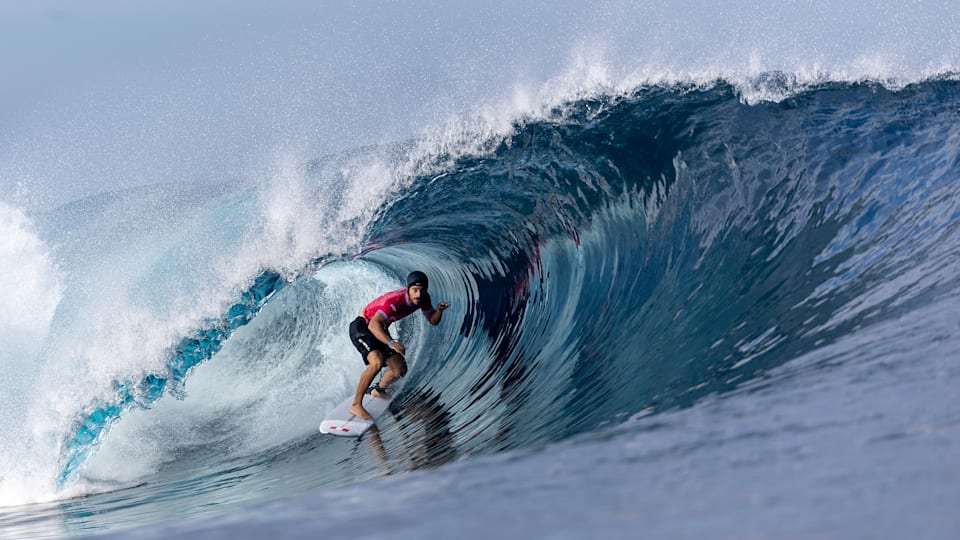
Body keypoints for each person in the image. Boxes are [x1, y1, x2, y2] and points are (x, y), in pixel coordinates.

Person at [348, 271, 449, 420]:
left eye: (422, 290)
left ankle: (378, 390)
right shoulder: (395, 301)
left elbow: (433, 320)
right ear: (408, 289)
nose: (418, 294)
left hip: (379, 330)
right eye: (415, 290)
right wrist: (391, 343)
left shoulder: (423, 299)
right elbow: (374, 325)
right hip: (362, 327)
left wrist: (439, 310)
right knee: (377, 362)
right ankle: (356, 405)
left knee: (399, 370)